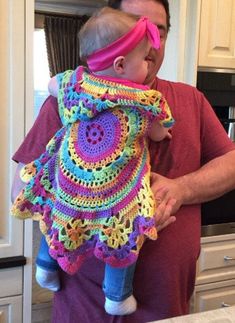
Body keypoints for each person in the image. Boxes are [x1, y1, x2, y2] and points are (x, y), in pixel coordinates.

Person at [11, 0, 235, 322]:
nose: (148, 43)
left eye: (157, 31)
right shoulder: (70, 100)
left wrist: (181, 190)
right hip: (82, 312)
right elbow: (21, 186)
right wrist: (81, 199)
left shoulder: (189, 101)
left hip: (167, 310)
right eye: (136, 28)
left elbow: (231, 162)